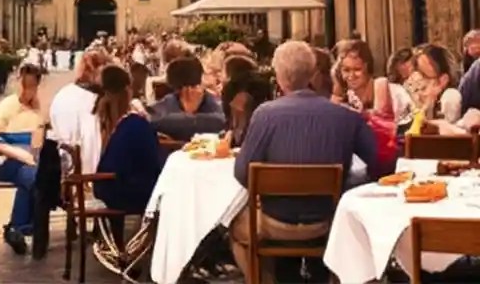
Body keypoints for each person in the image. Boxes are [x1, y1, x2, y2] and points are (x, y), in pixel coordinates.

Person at [230, 41, 382, 284]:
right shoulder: (345, 117)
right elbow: (376, 164)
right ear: (312, 74)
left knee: (235, 228)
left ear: (278, 77)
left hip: (274, 221)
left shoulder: (265, 115)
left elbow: (242, 173)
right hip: (327, 221)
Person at [0, 62, 48, 254]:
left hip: (31, 161)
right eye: (26, 87)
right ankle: (25, 227)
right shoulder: (7, 106)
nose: (29, 92)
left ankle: (16, 229)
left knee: (30, 176)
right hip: (5, 162)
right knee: (33, 176)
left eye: (33, 87)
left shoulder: (40, 108)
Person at [94, 65, 162, 229]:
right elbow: (153, 159)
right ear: (127, 90)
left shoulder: (95, 118)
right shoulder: (134, 123)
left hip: (102, 185)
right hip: (125, 189)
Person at [48, 48, 110, 174]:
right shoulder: (92, 101)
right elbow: (91, 146)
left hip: (59, 161)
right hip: (81, 170)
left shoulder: (63, 93)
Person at [149, 56, 226, 141]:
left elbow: (222, 122)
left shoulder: (212, 104)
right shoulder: (169, 102)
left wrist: (189, 113)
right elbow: (149, 119)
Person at [416, 44, 463, 124]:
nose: (417, 81)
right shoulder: (431, 102)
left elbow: (445, 133)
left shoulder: (450, 96)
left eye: (424, 76)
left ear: (443, 80)